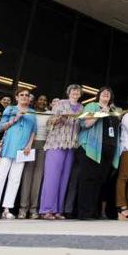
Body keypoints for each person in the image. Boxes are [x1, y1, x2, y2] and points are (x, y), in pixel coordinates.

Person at [0, 89, 37, 219]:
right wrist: (15, 118)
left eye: (27, 95)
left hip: (22, 150)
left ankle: (7, 209)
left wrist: (29, 145)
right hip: (8, 147)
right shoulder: (10, 109)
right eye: (22, 95)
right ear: (17, 97)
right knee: (0, 177)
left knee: (15, 179)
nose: (24, 97)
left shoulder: (32, 112)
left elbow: (33, 130)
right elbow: (1, 127)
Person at [74, 87, 120, 220]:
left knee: (99, 181)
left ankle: (93, 211)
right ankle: (84, 212)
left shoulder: (114, 110)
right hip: (91, 148)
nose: (106, 94)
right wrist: (100, 113)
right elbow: (85, 124)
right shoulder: (92, 106)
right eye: (103, 92)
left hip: (108, 150)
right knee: (88, 179)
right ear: (98, 95)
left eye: (108, 93)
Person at [39, 84, 82, 219]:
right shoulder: (61, 103)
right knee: (52, 177)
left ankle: (58, 210)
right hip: (56, 143)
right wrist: (61, 117)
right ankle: (47, 209)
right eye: (73, 91)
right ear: (68, 92)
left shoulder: (81, 107)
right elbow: (50, 122)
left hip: (71, 145)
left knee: (64, 179)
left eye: (78, 91)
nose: (75, 93)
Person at [18, 95, 51, 219]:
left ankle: (33, 209)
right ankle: (23, 209)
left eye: (45, 100)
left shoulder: (50, 113)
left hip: (43, 146)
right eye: (40, 99)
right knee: (27, 177)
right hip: (29, 145)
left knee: (38, 178)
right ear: (36, 101)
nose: (43, 101)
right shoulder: (30, 112)